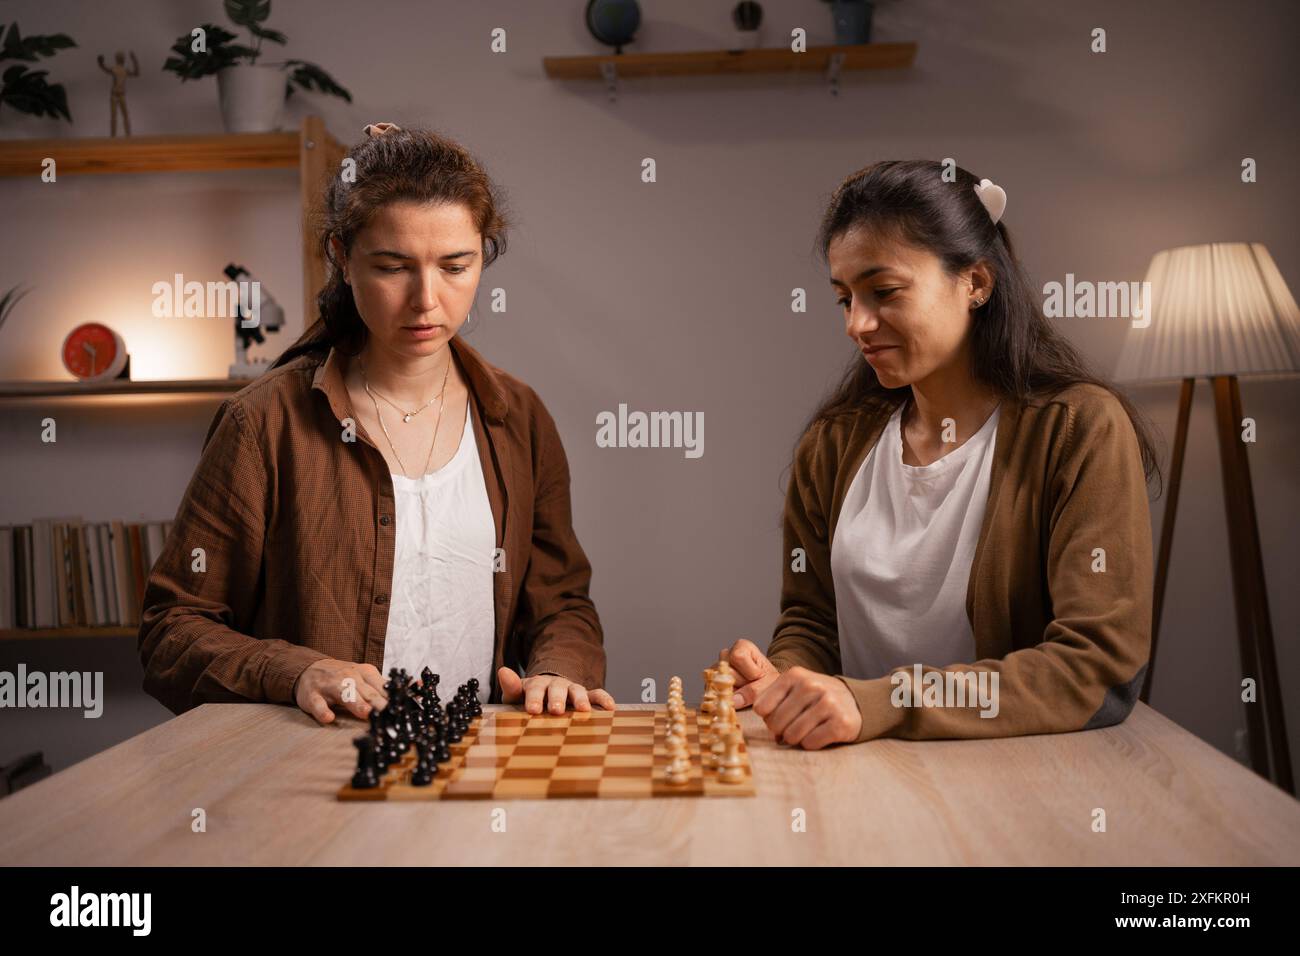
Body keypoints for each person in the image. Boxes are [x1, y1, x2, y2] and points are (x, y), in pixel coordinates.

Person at [140, 123, 613, 723]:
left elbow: (562, 603)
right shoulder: (262, 424)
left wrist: (558, 669)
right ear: (341, 256)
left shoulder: (518, 418)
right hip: (313, 785)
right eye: (392, 267)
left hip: (479, 780)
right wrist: (298, 672)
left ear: (483, 256)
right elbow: (171, 632)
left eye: (455, 266)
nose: (426, 299)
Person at [724, 160, 1159, 750]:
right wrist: (783, 678)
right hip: (855, 770)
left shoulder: (1079, 428)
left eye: (884, 292)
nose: (858, 323)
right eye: (844, 298)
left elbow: (1096, 667)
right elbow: (810, 622)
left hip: (1020, 779)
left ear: (976, 283)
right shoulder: (832, 443)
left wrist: (876, 702)